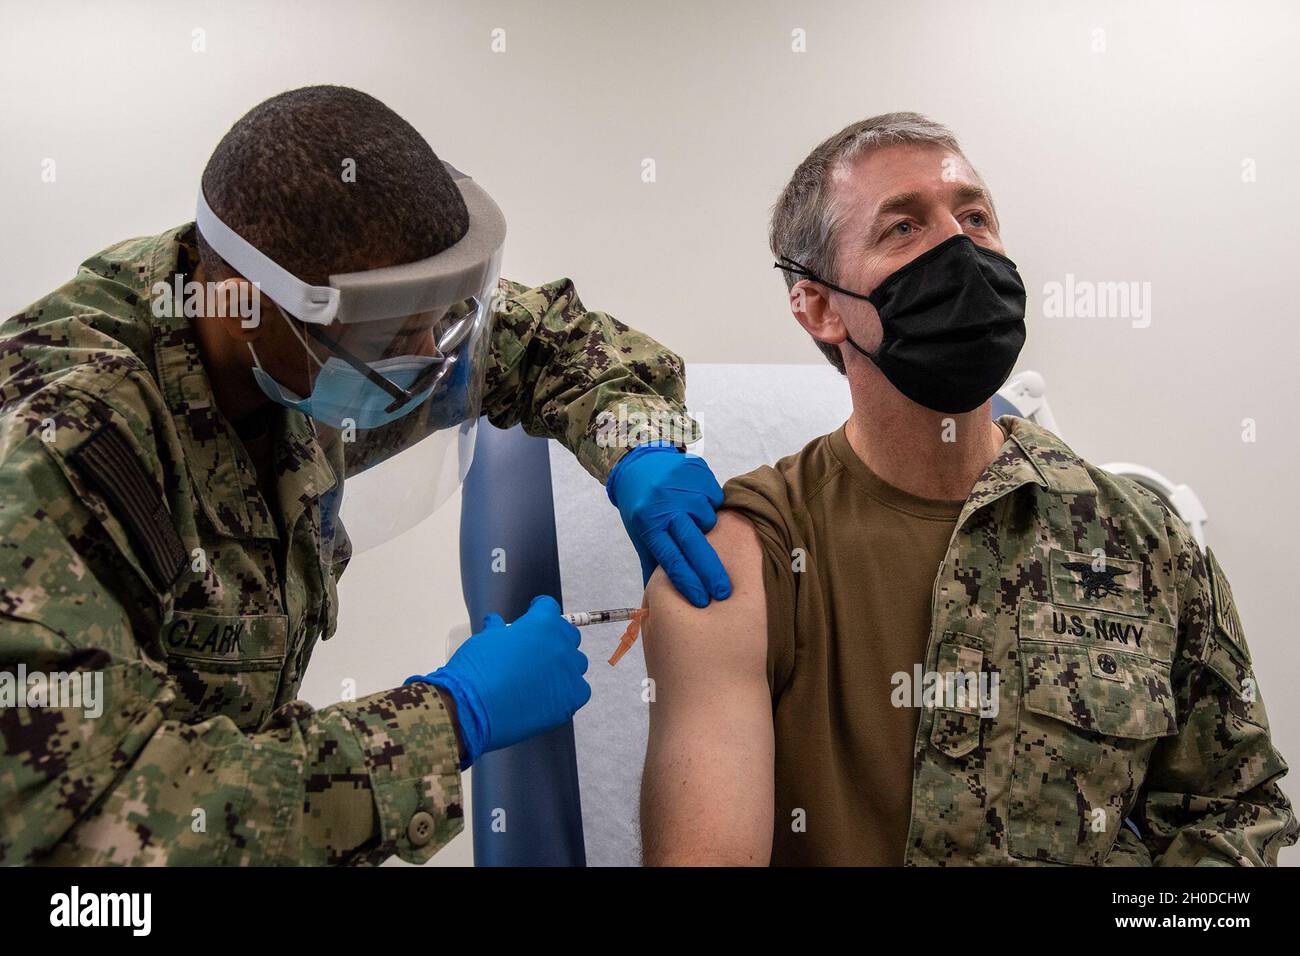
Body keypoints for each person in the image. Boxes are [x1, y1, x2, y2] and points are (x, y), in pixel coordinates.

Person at [0, 86, 728, 865]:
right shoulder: (59, 459)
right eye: (393, 333)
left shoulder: (323, 330)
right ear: (247, 304)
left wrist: (643, 444)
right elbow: (102, 838)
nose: (428, 356)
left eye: (441, 314)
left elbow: (552, 337)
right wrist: (448, 718)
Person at [639, 112, 1298, 866]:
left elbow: (1231, 812)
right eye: (903, 228)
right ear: (820, 307)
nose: (960, 245)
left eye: (975, 215)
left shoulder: (1145, 540)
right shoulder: (746, 557)